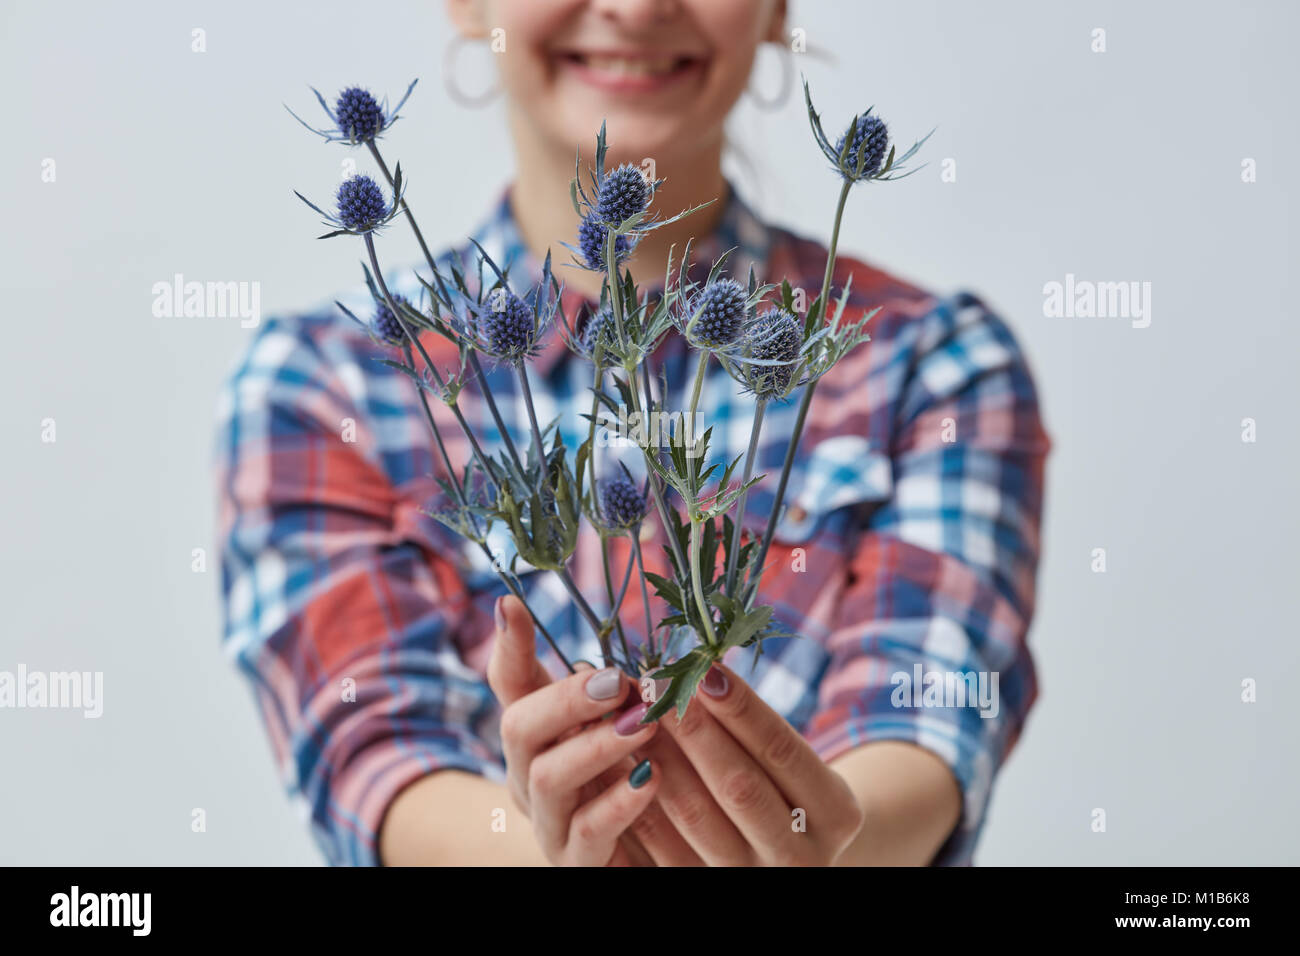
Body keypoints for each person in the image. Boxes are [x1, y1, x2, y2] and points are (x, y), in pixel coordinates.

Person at [217, 0, 1050, 866]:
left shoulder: (934, 361)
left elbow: (926, 708)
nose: (636, 6)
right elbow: (374, 758)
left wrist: (812, 844)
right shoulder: (320, 382)